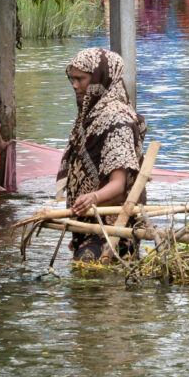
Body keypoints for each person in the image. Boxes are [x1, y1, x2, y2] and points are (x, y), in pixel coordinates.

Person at [60, 47, 147, 260]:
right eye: (72, 79)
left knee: (89, 275)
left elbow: (119, 186)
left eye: (81, 79)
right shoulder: (90, 116)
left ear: (101, 78)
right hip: (90, 224)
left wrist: (93, 198)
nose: (75, 85)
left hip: (113, 230)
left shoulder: (117, 120)